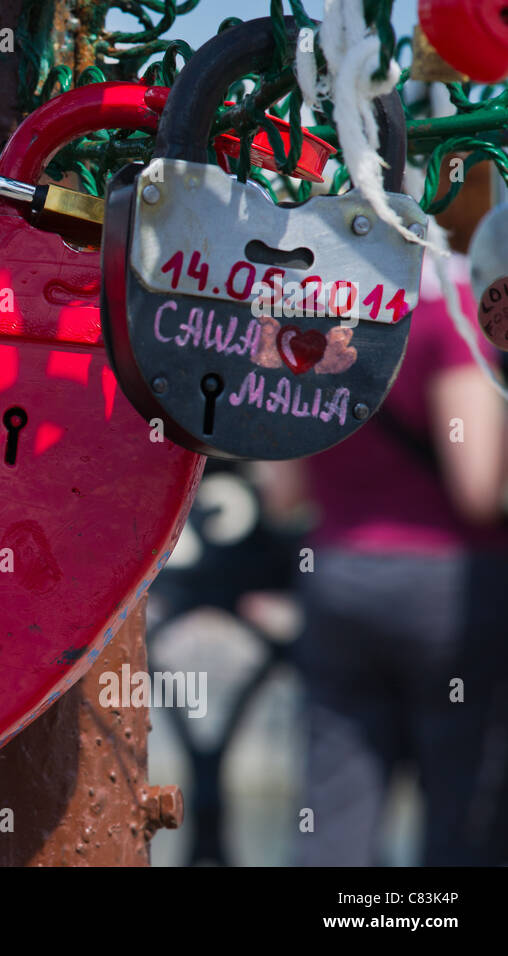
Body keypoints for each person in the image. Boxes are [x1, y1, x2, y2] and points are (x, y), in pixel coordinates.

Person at [256, 157, 508, 865]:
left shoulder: (304, 324)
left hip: (336, 578)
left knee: (334, 809)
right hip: (451, 591)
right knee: (463, 808)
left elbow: (283, 494)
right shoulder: (450, 318)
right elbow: (476, 487)